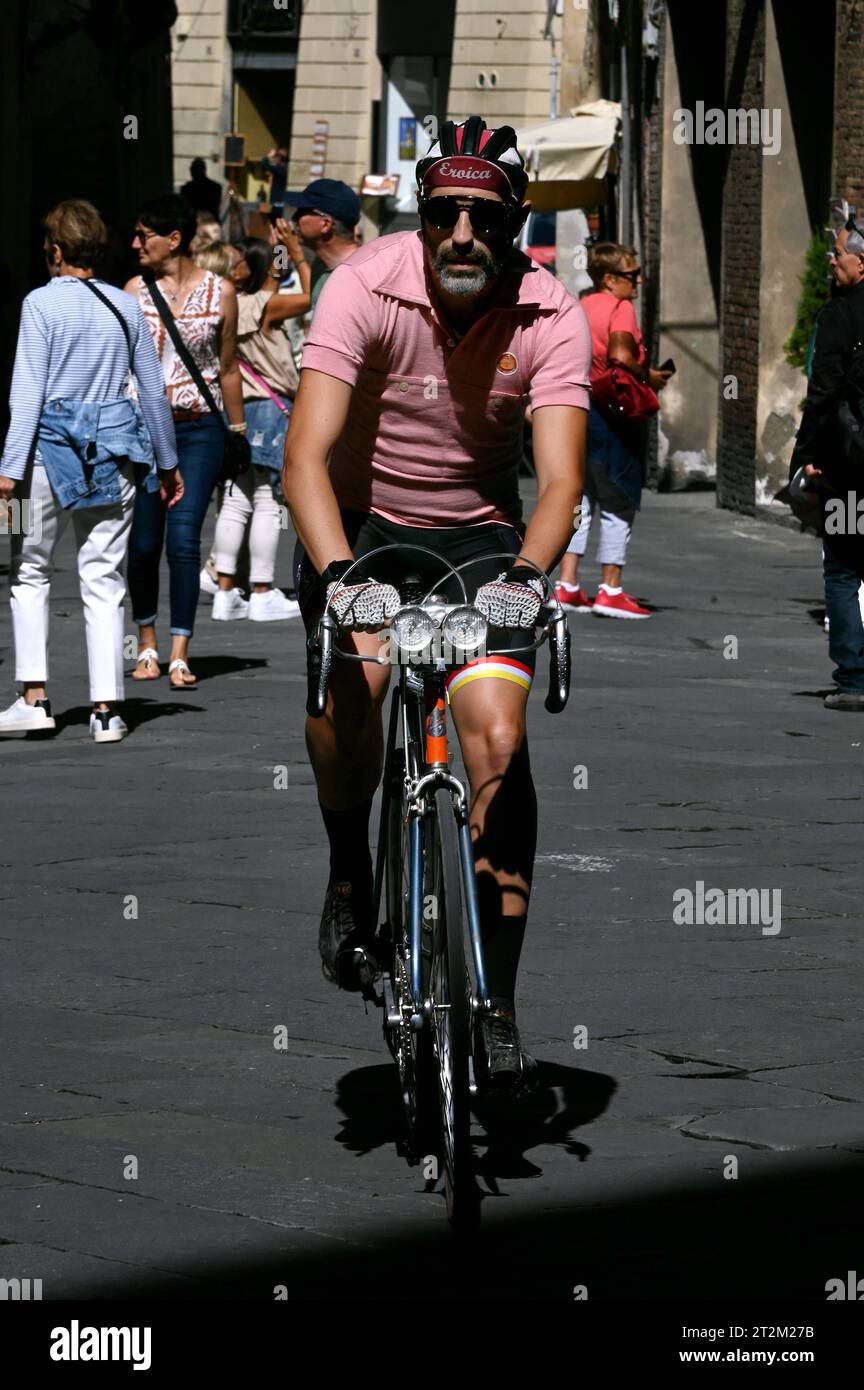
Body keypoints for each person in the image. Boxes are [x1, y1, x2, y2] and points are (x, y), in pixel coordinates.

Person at [282, 116, 590, 1089]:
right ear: (422, 215)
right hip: (361, 527)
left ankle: (494, 1001)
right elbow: (302, 458)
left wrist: (529, 577)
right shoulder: (363, 285)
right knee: (357, 693)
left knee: (497, 737)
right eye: (445, 213)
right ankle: (349, 872)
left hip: (481, 539)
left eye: (483, 217)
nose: (462, 234)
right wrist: (341, 577)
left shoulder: (550, 311)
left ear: (514, 224)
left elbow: (560, 482)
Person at [0, 200, 181, 742]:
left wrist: (7, 470)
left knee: (28, 571)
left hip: (41, 459)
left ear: (55, 250)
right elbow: (152, 390)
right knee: (103, 576)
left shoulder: (39, 304)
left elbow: (27, 391)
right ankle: (107, 710)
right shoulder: (125, 305)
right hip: (113, 453)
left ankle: (34, 698)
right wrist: (167, 463)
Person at [125, 194, 245, 689]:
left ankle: (178, 652)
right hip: (144, 431)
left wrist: (238, 432)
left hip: (199, 428)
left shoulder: (221, 291)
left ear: (174, 239)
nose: (135, 244)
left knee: (183, 536)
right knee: (143, 542)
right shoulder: (133, 290)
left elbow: (229, 366)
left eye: (143, 235)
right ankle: (145, 641)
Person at [555, 242, 672, 619]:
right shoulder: (620, 308)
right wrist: (649, 375)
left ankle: (567, 584)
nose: (637, 281)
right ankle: (611, 588)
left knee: (582, 500)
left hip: (579, 409)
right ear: (609, 278)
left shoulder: (580, 305)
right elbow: (620, 357)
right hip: (613, 417)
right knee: (619, 499)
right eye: (631, 275)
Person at [210, 234, 306, 621]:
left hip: (237, 407)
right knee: (268, 499)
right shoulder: (266, 304)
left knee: (235, 499)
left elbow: (272, 278)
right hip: (272, 407)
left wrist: (277, 252)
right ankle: (263, 591)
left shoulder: (226, 303)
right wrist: (297, 256)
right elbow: (309, 297)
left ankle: (225, 589)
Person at [789, 218, 864, 710]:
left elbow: (823, 394)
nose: (831, 260)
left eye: (839, 252)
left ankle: (854, 681)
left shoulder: (840, 315)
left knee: (843, 568)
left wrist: (806, 457)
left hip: (849, 470)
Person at [282, 179, 361, 312]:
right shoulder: (321, 263)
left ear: (325, 224)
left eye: (301, 212)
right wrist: (281, 249)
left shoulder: (361, 276)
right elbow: (280, 280)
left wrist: (293, 251)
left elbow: (269, 301)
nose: (293, 219)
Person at [259, 148, 288, 216]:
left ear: (279, 158)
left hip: (278, 202)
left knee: (276, 219)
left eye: (275, 157)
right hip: (280, 201)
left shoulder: (281, 168)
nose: (274, 159)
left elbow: (264, 164)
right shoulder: (284, 167)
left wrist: (268, 156)